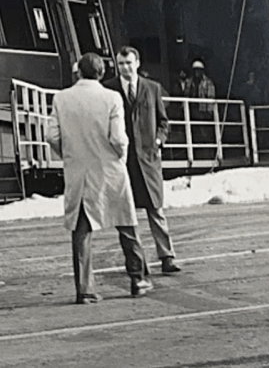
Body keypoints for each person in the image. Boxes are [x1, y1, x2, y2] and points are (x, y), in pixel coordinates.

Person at [48, 52, 155, 301]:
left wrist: (70, 154)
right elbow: (118, 138)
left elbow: (51, 136)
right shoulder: (112, 97)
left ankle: (85, 289)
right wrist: (120, 155)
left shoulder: (61, 98)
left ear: (78, 72)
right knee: (126, 223)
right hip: (110, 169)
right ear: (102, 73)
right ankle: (138, 279)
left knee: (81, 229)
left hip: (79, 172)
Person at [104, 47, 180, 274]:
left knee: (155, 209)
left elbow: (163, 122)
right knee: (127, 213)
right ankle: (139, 262)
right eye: (120, 64)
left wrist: (158, 141)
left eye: (128, 63)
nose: (125, 68)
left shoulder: (152, 88)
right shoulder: (109, 89)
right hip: (123, 161)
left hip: (148, 158)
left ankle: (167, 256)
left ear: (137, 63)